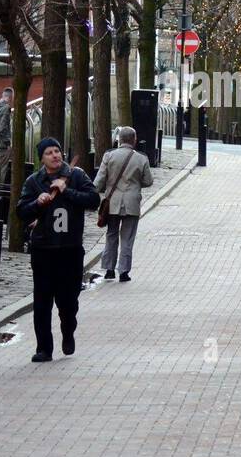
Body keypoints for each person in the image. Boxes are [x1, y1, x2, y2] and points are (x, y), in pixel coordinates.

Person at [16, 137, 100, 362]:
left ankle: (68, 330)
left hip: (70, 248)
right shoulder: (34, 182)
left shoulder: (77, 176)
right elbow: (21, 211)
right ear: (42, 158)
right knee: (42, 301)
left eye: (57, 151)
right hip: (43, 249)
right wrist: (37, 203)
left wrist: (66, 192)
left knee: (68, 301)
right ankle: (44, 348)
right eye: (49, 153)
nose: (55, 155)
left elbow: (94, 200)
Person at [93, 126, 153, 282]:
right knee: (128, 237)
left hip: (112, 202)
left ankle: (109, 269)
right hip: (132, 203)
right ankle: (124, 271)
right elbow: (148, 181)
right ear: (134, 139)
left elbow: (100, 179)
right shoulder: (141, 158)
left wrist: (93, 193)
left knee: (111, 235)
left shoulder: (109, 156)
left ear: (118, 139)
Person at [0, 87, 14, 186]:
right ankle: (1, 192)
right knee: (3, 170)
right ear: (10, 97)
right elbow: (3, 128)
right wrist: (8, 143)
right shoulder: (6, 108)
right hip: (3, 145)